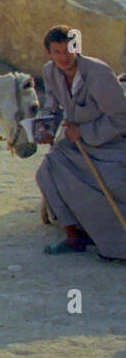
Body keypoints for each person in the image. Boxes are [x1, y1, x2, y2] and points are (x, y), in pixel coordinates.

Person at [35, 25, 126, 261]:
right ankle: (73, 235)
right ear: (49, 53)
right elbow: (51, 106)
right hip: (76, 142)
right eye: (57, 52)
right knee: (46, 172)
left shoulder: (98, 74)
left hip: (111, 143)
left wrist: (84, 132)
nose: (64, 57)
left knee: (114, 181)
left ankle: (111, 238)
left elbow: (121, 119)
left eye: (68, 50)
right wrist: (45, 127)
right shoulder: (50, 72)